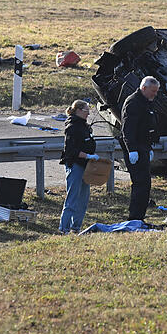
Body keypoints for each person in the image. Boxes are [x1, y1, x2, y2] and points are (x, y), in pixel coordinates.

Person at [58, 99, 100, 234]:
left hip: (85, 166)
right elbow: (71, 150)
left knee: (83, 199)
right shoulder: (72, 127)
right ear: (78, 111)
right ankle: (64, 229)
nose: (88, 113)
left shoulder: (85, 126)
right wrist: (87, 156)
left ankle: (76, 228)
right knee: (72, 199)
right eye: (86, 110)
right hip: (75, 166)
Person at [121, 76, 160, 221]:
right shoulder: (133, 103)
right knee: (140, 183)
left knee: (145, 184)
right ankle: (135, 217)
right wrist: (132, 149)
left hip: (143, 147)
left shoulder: (146, 102)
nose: (154, 94)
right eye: (153, 91)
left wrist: (149, 147)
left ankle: (140, 216)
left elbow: (148, 126)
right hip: (135, 148)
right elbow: (128, 129)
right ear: (144, 88)